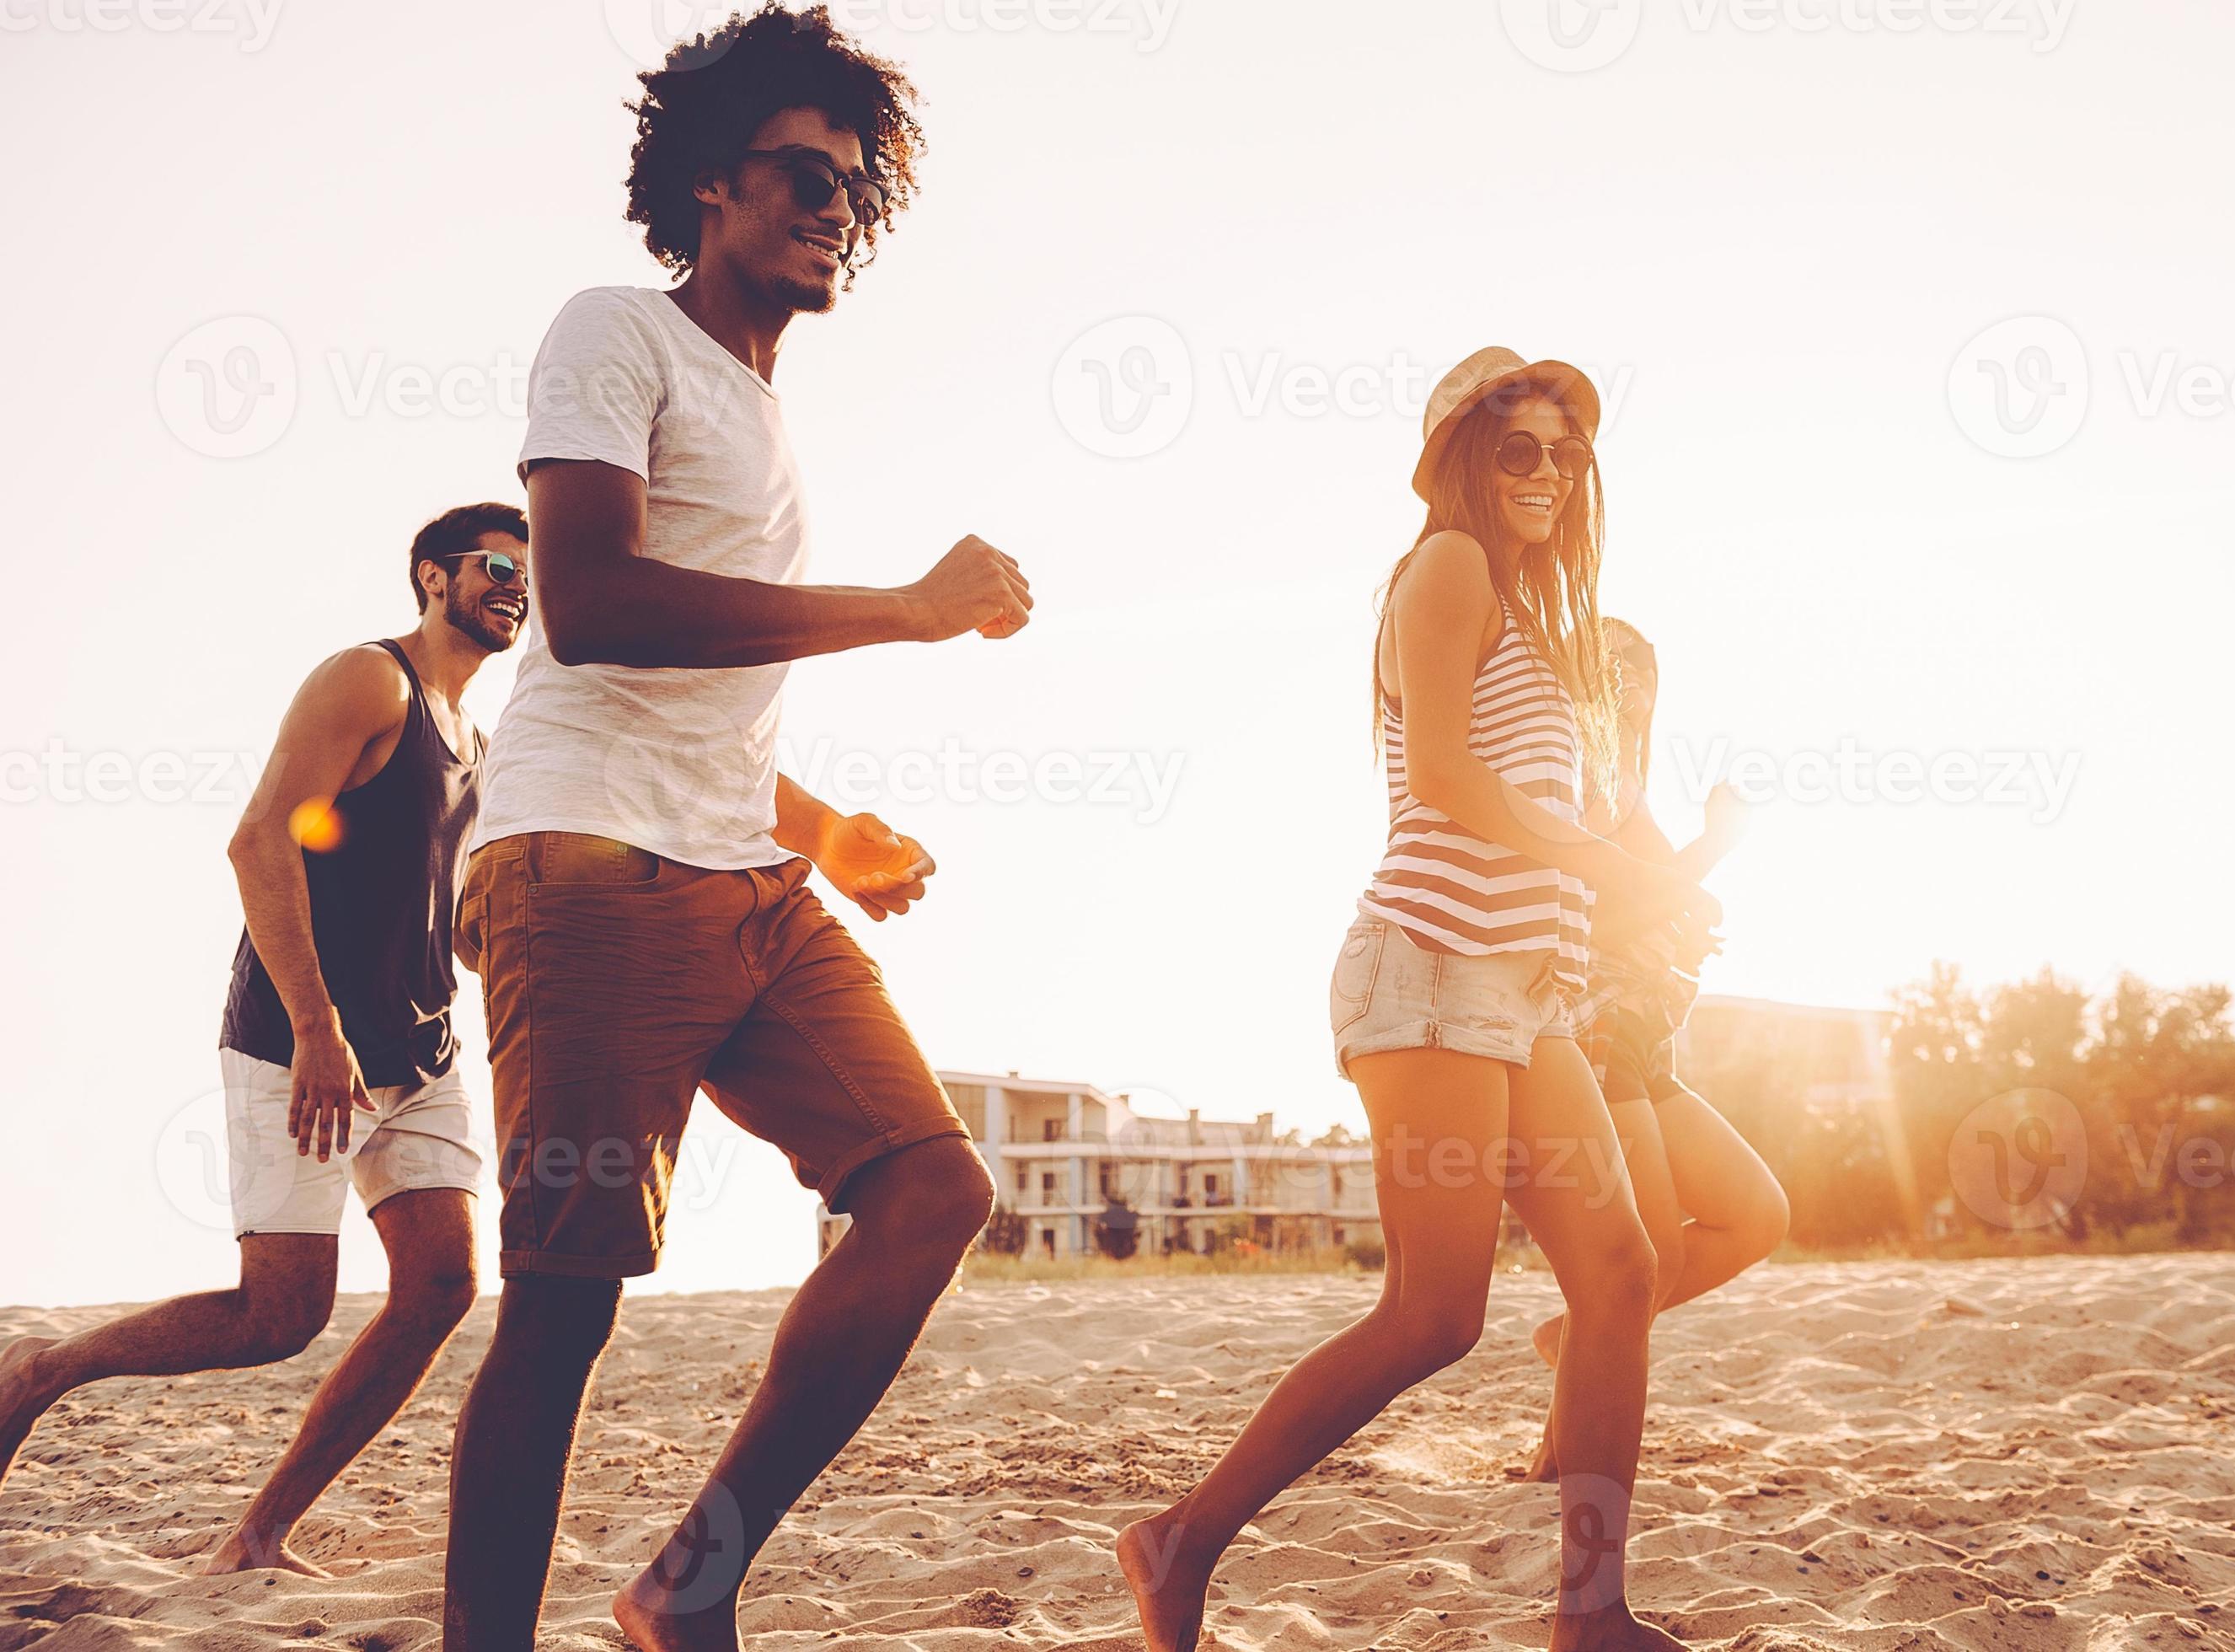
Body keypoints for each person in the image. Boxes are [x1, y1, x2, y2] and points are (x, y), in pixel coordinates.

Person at [436, 8, 1031, 1649]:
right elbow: (597, 602)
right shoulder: (613, 329)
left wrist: (823, 822)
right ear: (709, 182)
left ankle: (679, 1585)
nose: (832, 203)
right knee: (564, 1307)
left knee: (932, 1188)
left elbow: (704, 689)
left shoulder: (764, 413)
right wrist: (907, 611)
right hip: (589, 876)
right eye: (798, 172)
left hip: (747, 881)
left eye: (852, 185)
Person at [1118, 349, 1716, 1652]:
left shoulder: (1552, 630)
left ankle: (1590, 1614)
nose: (1548, 473)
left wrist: (1673, 875)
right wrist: (1598, 860)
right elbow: (1444, 777)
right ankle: (1176, 1543)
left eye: (1567, 452)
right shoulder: (1442, 566)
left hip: (1524, 987)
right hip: (1430, 965)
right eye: (1518, 450)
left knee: (1618, 1273)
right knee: (1435, 1314)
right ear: (1458, 459)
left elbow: (1577, 828)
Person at [0, 503, 530, 1575]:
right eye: (495, 565)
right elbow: (258, 840)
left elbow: (441, 908)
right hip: (303, 1040)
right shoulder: (369, 679)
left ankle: (259, 1530)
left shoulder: (480, 736)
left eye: (532, 575)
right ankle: (39, 1364)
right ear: (433, 575)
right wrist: (315, 1024)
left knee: (441, 1285)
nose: (516, 585)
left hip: (420, 1054)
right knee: (280, 1314)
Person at [1521, 616, 1790, 1483]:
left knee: (1755, 1213)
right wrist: (1714, 847)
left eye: (1642, 663)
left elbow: (1657, 900)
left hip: (1644, 1037)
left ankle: (1573, 1349)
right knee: (1650, 1255)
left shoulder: (1624, 783)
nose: (1630, 678)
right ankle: (1560, 1446)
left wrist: (1689, 916)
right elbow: (1599, 918)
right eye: (1610, 663)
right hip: (1596, 1034)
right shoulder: (1578, 779)